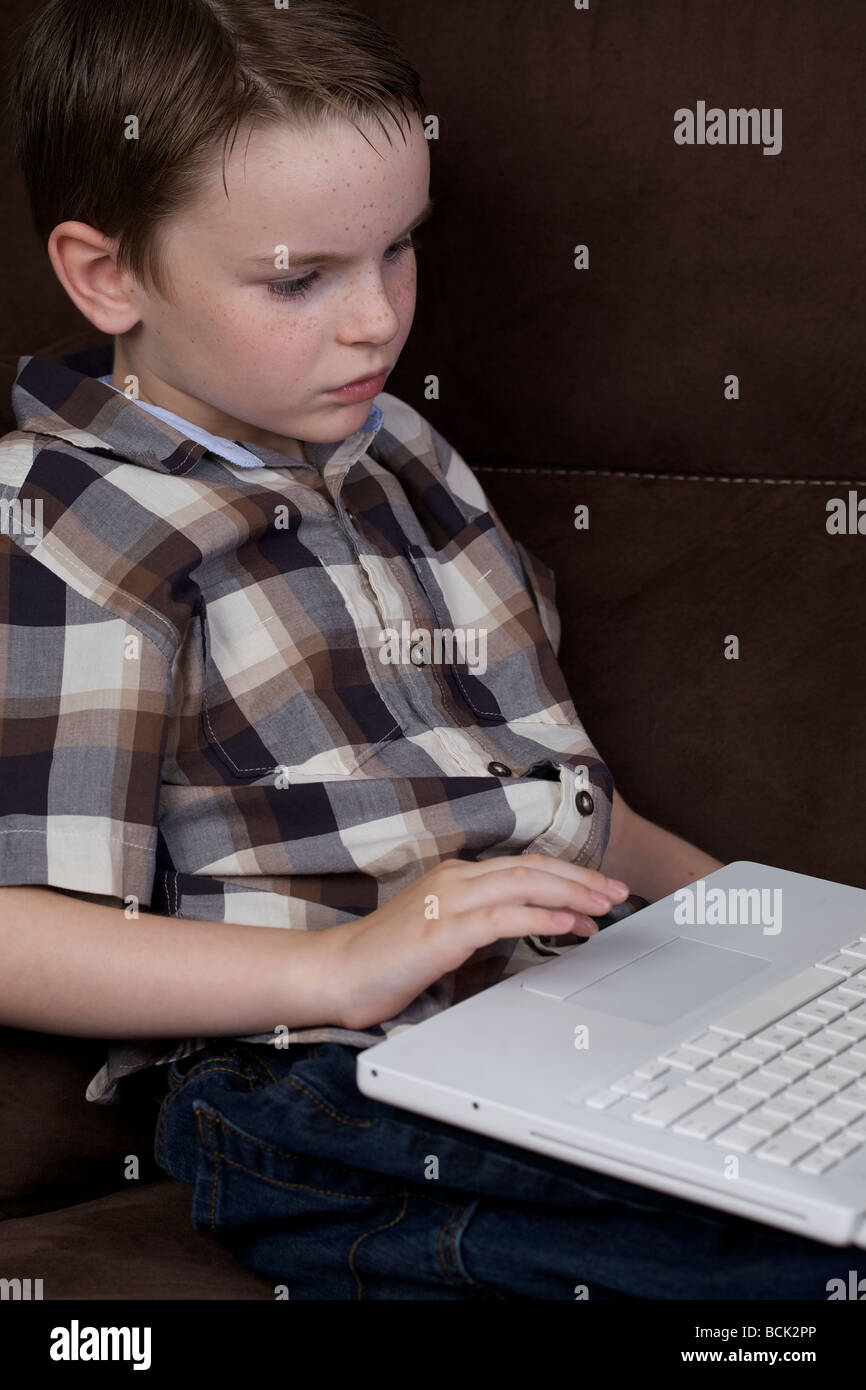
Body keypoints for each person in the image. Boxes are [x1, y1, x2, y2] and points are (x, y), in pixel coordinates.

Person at [1, 0, 851, 1299]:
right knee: (770, 1260)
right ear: (107, 273)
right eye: (300, 277)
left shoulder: (397, 446)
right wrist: (336, 965)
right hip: (305, 1077)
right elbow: (17, 930)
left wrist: (772, 933)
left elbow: (549, 799)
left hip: (556, 991)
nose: (375, 320)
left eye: (398, 250)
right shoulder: (73, 528)